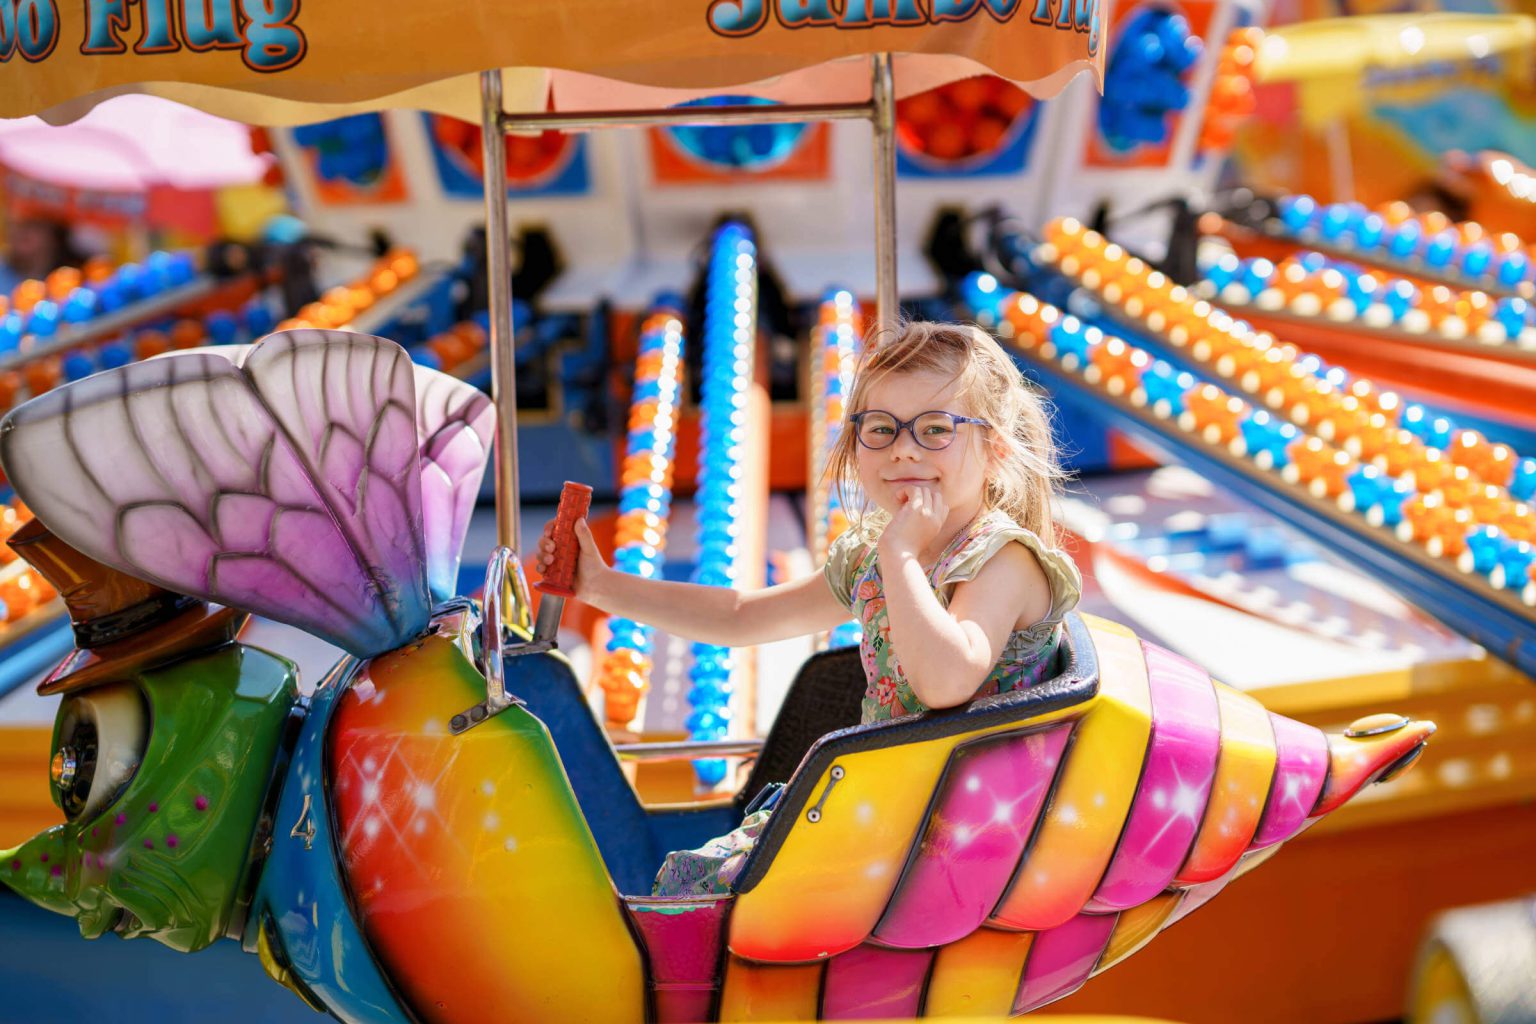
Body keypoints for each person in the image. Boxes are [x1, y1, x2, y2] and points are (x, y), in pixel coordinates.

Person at [534, 320, 1083, 897]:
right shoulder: (872, 555)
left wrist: (900, 554)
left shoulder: (1002, 560)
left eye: (935, 429)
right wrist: (601, 588)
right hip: (892, 807)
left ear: (994, 450)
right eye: (881, 428)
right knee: (687, 878)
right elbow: (743, 616)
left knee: (719, 894)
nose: (903, 449)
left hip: (957, 833)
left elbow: (946, 680)